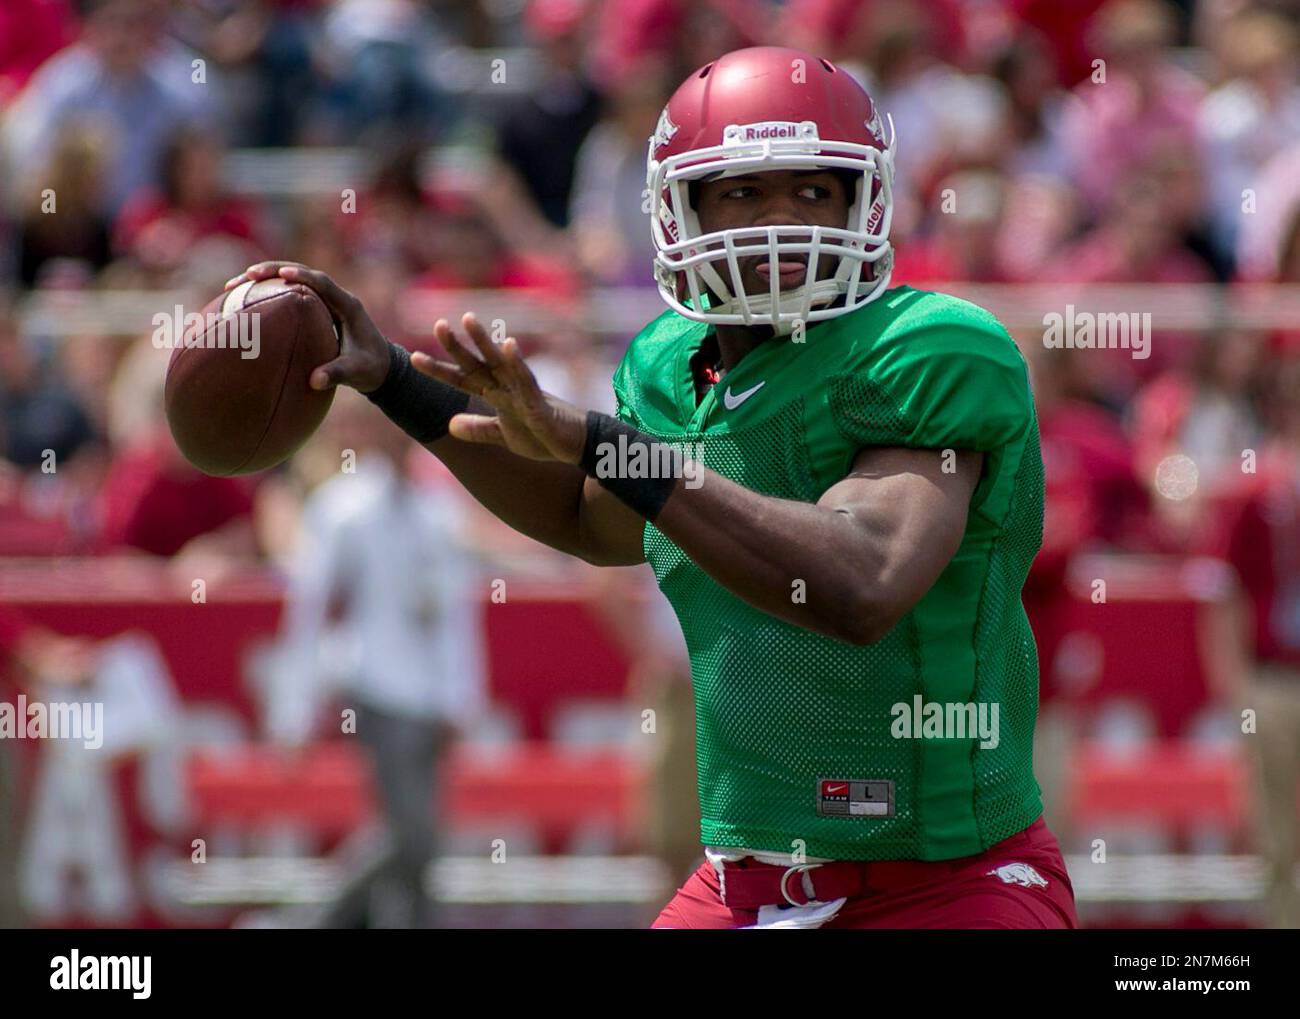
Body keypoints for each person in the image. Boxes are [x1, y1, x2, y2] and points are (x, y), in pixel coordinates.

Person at [228, 45, 1077, 929]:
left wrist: (607, 444)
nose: (781, 221)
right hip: (740, 882)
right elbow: (584, 516)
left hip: (943, 879)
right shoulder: (671, 367)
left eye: (812, 191)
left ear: (865, 200)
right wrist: (396, 381)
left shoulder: (928, 347)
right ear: (681, 209)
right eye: (745, 192)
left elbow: (862, 580)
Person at [269, 391, 486, 929]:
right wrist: (293, 707)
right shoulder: (343, 508)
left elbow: (455, 614)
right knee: (413, 836)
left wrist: (462, 696)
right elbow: (309, 610)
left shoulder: (438, 511)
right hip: (376, 690)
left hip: (426, 699)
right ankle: (314, 922)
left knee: (416, 841)